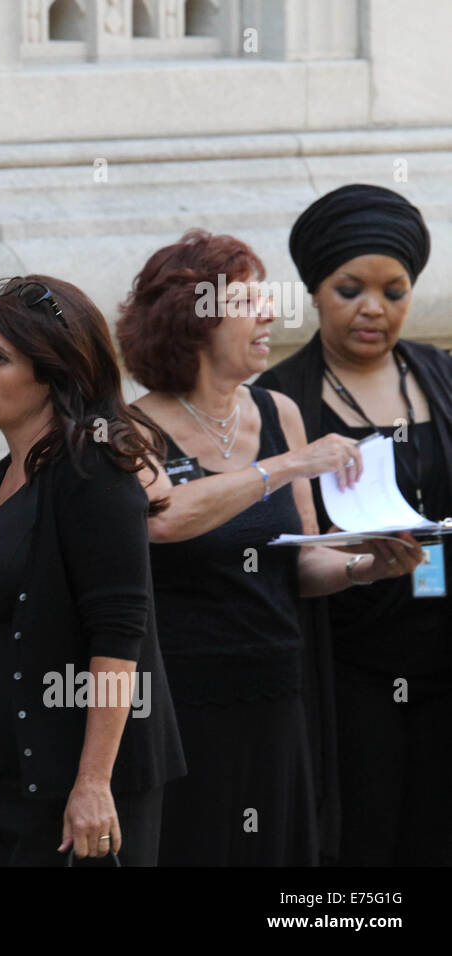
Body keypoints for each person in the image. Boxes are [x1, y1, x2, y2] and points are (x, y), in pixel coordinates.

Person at [117, 228, 423, 866]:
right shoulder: (132, 428)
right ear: (191, 319)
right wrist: (286, 466)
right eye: (247, 301)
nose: (270, 313)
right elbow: (163, 520)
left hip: (278, 690)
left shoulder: (276, 410)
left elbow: (303, 558)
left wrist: (366, 564)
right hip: (181, 701)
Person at [0, 275, 186, 866]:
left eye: (0, 358)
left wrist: (92, 784)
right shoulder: (3, 478)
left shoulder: (95, 475)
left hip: (82, 789)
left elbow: (119, 636)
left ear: (54, 376)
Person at [256, 183, 452, 865]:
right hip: (345, 666)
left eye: (394, 292)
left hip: (443, 651)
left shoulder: (439, 375)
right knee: (360, 834)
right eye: (351, 289)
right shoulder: (280, 400)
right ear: (314, 291)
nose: (375, 309)